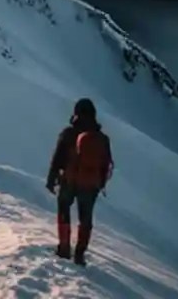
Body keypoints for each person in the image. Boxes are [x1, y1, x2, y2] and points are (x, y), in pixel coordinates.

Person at [46, 97, 113, 265]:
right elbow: (106, 164)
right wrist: (100, 183)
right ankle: (80, 254)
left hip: (69, 180)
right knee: (86, 218)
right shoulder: (102, 139)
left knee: (64, 209)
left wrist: (51, 178)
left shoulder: (68, 133)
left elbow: (57, 158)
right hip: (90, 185)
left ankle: (64, 248)